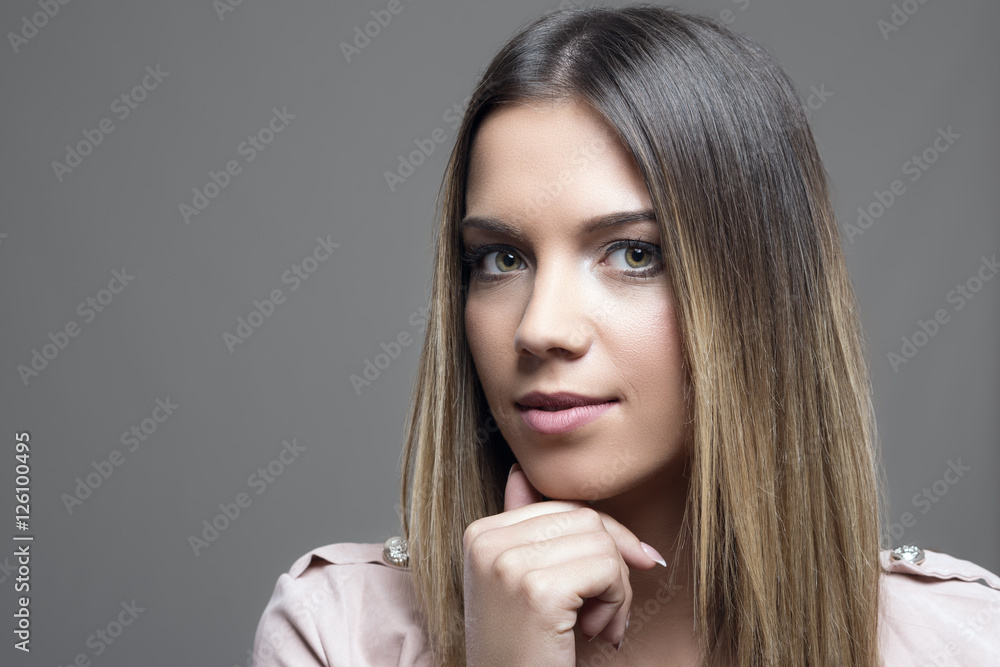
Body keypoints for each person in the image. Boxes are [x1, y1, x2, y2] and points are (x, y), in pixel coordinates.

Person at [252, 4, 1000, 665]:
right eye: (501, 258)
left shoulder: (964, 642)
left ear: (764, 295)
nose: (540, 328)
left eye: (635, 253)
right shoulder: (340, 634)